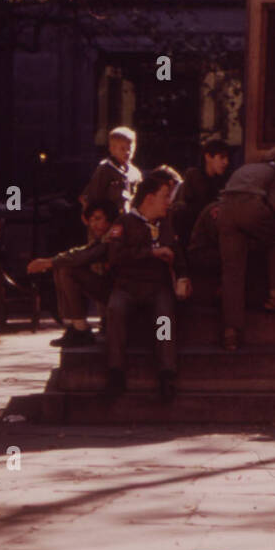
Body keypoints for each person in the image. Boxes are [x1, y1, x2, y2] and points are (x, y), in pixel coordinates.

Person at [105, 167, 190, 402]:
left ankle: (166, 374)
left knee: (165, 318)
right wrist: (151, 253)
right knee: (115, 310)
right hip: (127, 285)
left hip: (157, 286)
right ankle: (115, 372)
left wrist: (183, 277)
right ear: (150, 198)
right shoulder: (124, 222)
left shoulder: (166, 224)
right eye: (165, 197)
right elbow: (115, 256)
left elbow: (178, 255)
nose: (168, 203)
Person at [215, 147, 275, 350]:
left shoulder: (247, 168)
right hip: (251, 206)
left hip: (225, 209)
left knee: (232, 272)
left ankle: (231, 331)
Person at [27, 201, 119, 348]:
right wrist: (52, 261)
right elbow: (83, 251)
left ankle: (81, 329)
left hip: (123, 293)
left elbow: (88, 255)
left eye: (98, 219)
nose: (94, 224)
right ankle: (74, 326)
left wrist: (49, 262)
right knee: (62, 266)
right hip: (113, 290)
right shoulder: (102, 237)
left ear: (110, 219)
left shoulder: (115, 235)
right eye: (91, 220)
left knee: (67, 269)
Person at [170, 139, 233, 247]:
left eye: (227, 158)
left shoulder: (222, 180)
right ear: (208, 157)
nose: (226, 162)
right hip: (192, 235)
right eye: (221, 157)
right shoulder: (194, 176)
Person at [79, 126, 142, 215]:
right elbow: (92, 198)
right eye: (122, 149)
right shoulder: (105, 169)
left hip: (128, 218)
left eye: (129, 149)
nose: (127, 152)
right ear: (112, 149)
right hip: (108, 218)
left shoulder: (135, 173)